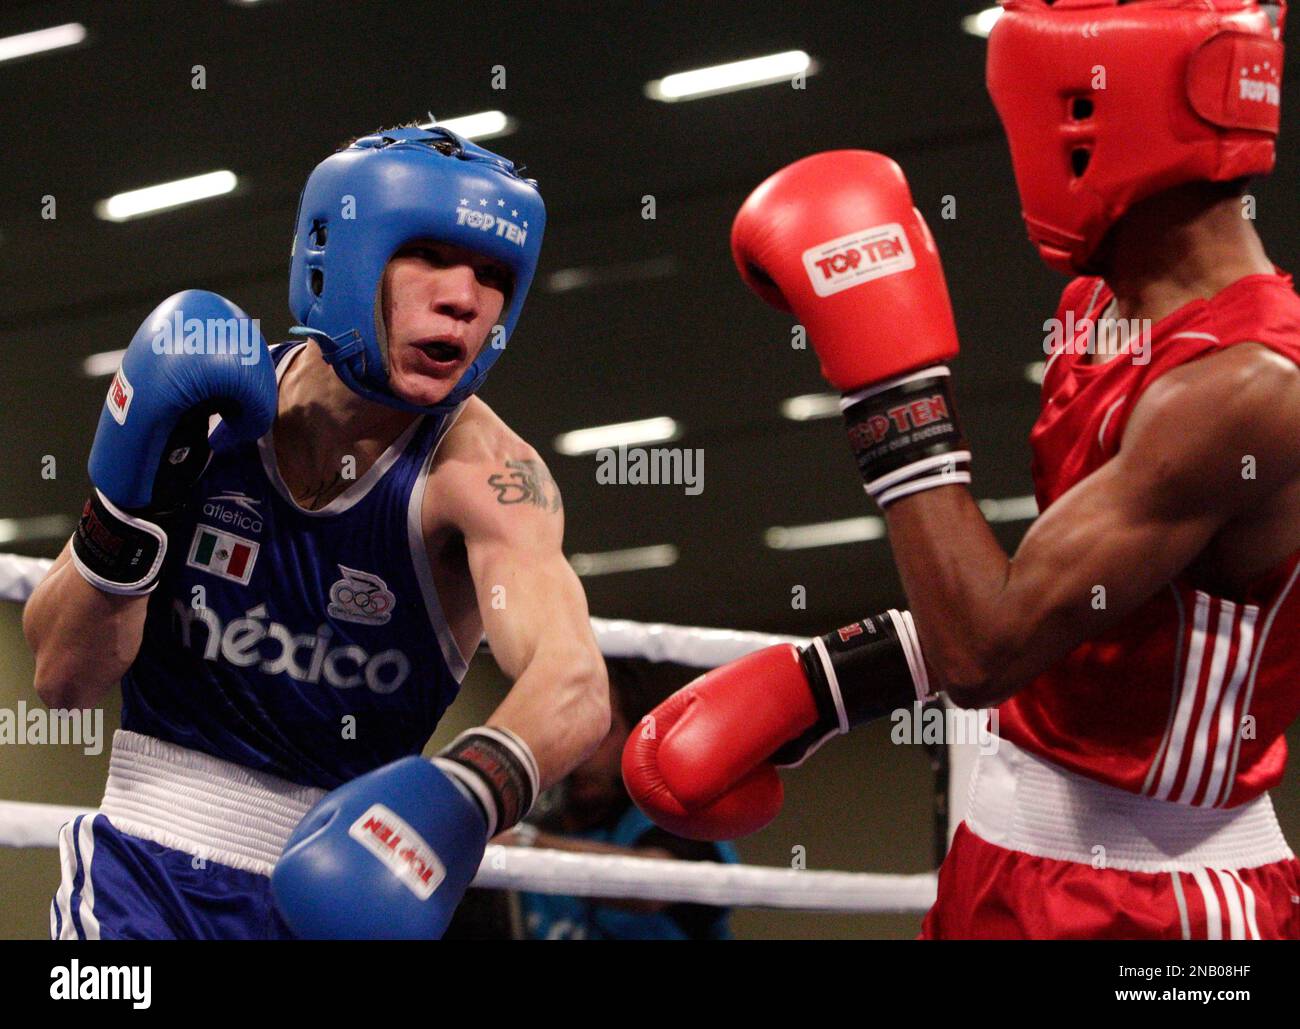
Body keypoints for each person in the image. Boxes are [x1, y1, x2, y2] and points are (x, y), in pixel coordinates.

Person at [625, 0, 1300, 939]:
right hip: (1002, 852)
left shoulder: (1246, 390)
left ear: (1083, 127)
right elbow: (1063, 604)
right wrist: (834, 680)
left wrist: (892, 389)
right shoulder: (1100, 315)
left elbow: (986, 650)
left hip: (1160, 904)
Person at [24, 125, 609, 939]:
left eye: (492, 275)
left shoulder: (488, 479)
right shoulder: (205, 413)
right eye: (431, 255)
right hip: (138, 880)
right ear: (339, 254)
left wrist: (468, 789)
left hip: (345, 891)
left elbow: (574, 681)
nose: (464, 298)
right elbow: (63, 679)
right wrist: (130, 505)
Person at [502, 657, 737, 940]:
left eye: (602, 729)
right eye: (569, 730)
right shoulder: (539, 821)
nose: (583, 750)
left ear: (636, 736)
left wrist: (527, 845)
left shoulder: (681, 817)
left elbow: (655, 886)